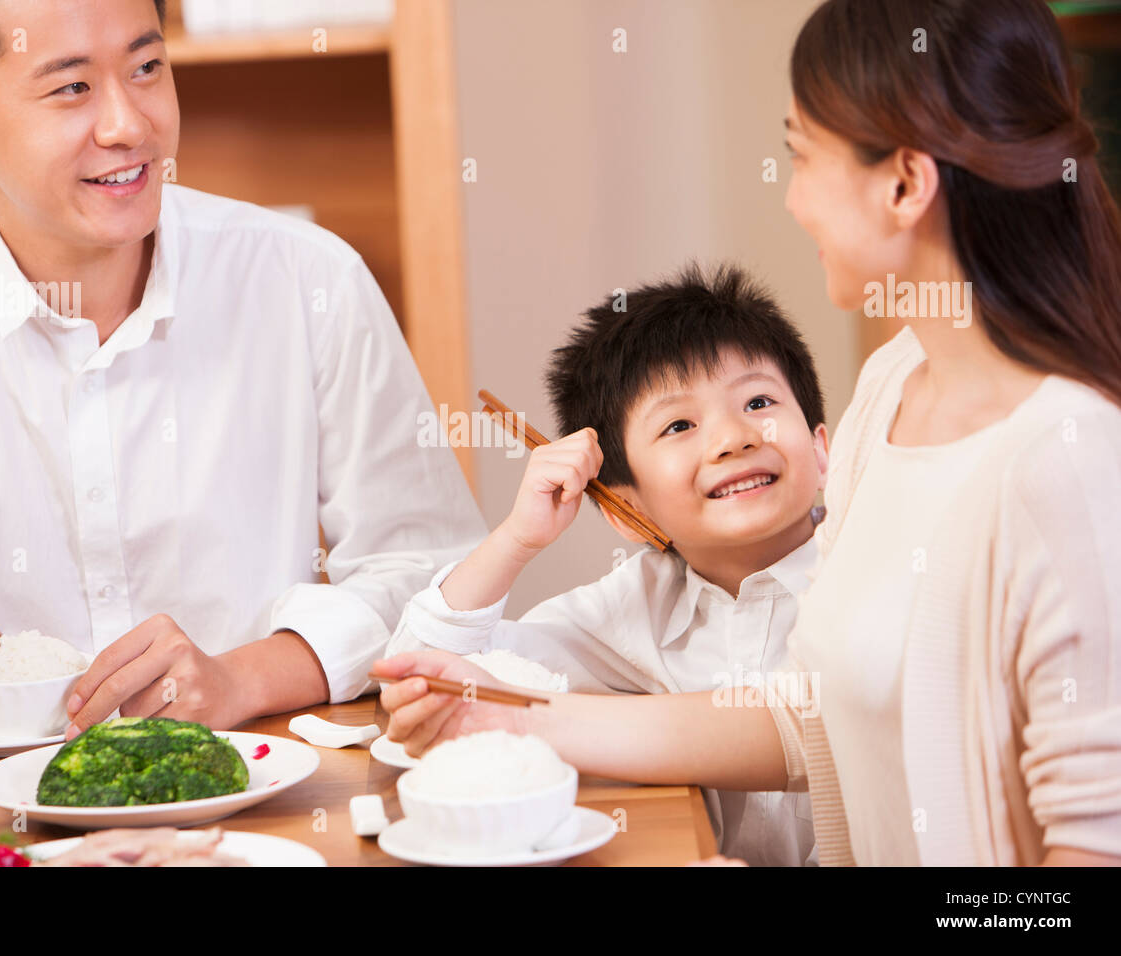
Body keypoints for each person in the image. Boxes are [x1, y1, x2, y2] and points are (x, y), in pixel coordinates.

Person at [376, 0, 1121, 865]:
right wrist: (505, 713)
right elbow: (816, 718)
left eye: (802, 156)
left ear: (905, 183)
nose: (794, 199)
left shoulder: (1066, 460)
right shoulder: (890, 389)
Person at [0, 0, 484, 736]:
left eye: (146, 68)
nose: (128, 126)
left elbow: (439, 585)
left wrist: (242, 677)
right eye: (71, 88)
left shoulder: (306, 277)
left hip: (253, 802)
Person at [386, 263, 827, 865]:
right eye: (679, 424)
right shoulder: (635, 602)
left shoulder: (865, 575)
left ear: (821, 449)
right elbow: (431, 667)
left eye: (758, 400)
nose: (733, 436)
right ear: (623, 508)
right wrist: (518, 538)